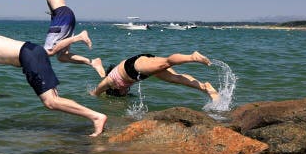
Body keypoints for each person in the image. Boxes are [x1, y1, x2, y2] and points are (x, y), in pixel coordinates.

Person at [86, 51, 219, 102]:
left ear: (115, 90)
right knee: (175, 78)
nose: (125, 92)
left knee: (166, 63)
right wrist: (98, 65)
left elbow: (97, 90)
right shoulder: (113, 81)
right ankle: (205, 88)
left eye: (122, 92)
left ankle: (192, 57)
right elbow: (102, 74)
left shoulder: (110, 82)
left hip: (134, 66)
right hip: (140, 72)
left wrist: (93, 94)